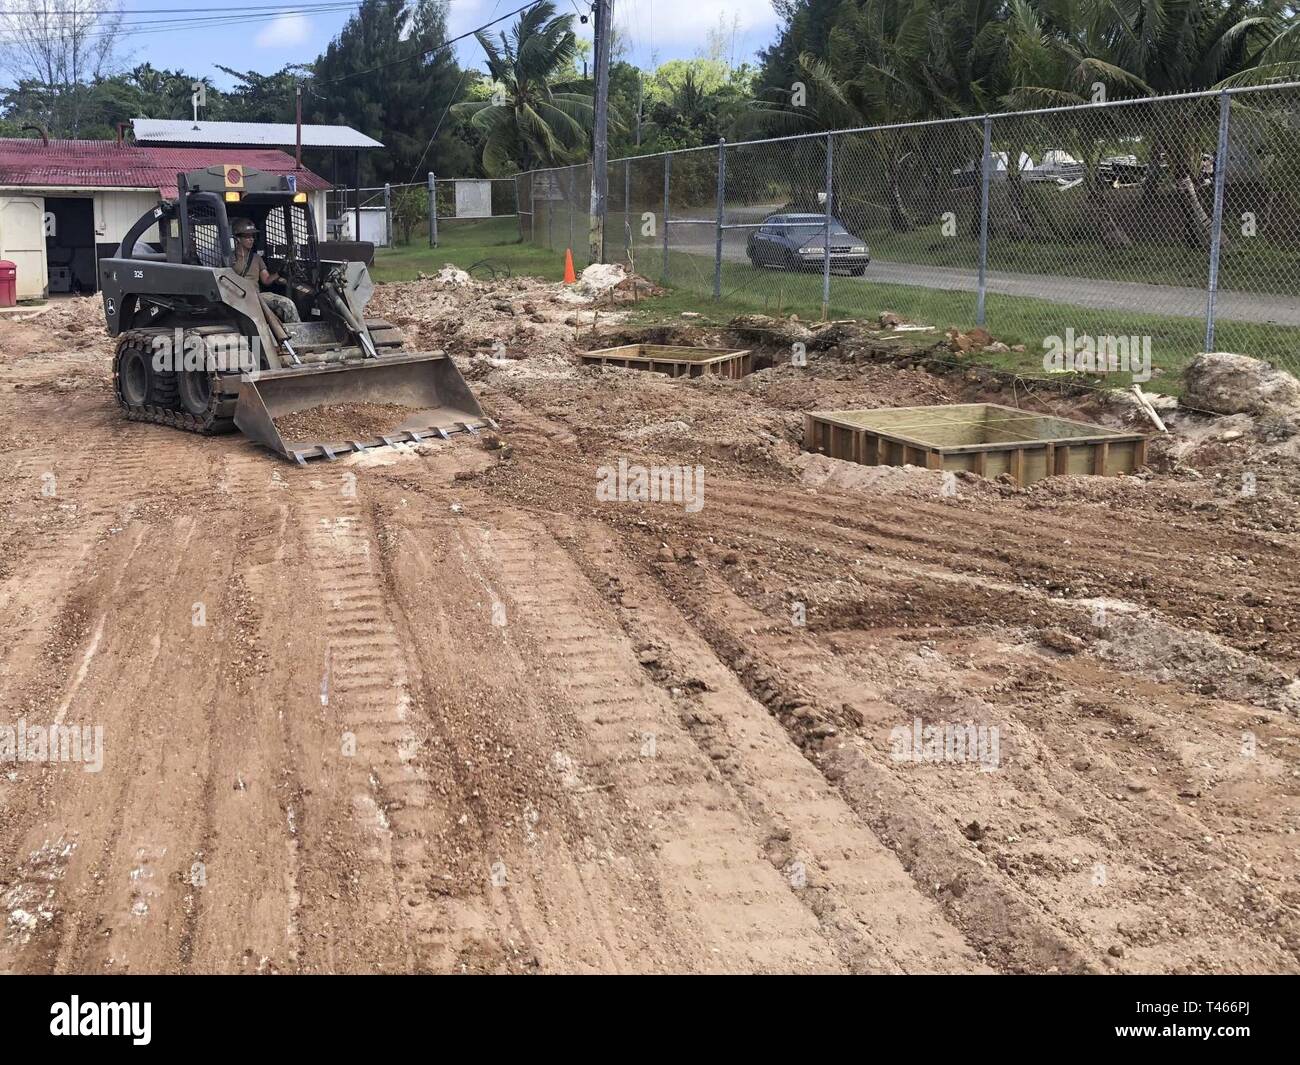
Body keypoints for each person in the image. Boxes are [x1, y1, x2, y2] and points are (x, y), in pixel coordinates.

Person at [230, 218, 299, 322]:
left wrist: (280, 273)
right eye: (247, 236)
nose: (251, 239)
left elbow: (266, 280)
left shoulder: (256, 258)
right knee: (253, 325)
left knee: (287, 304)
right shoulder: (230, 259)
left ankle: (295, 336)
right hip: (238, 297)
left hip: (257, 296)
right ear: (238, 239)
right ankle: (255, 339)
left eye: (252, 236)